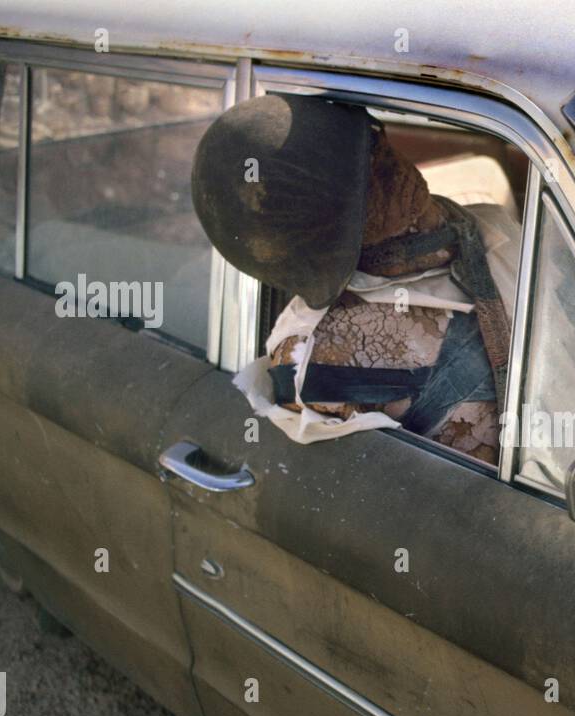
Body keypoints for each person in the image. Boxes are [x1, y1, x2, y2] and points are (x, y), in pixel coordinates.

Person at [191, 93, 520, 463]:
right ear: (327, 232)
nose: (391, 167)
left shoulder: (485, 223)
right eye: (362, 176)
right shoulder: (316, 357)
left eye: (375, 146)